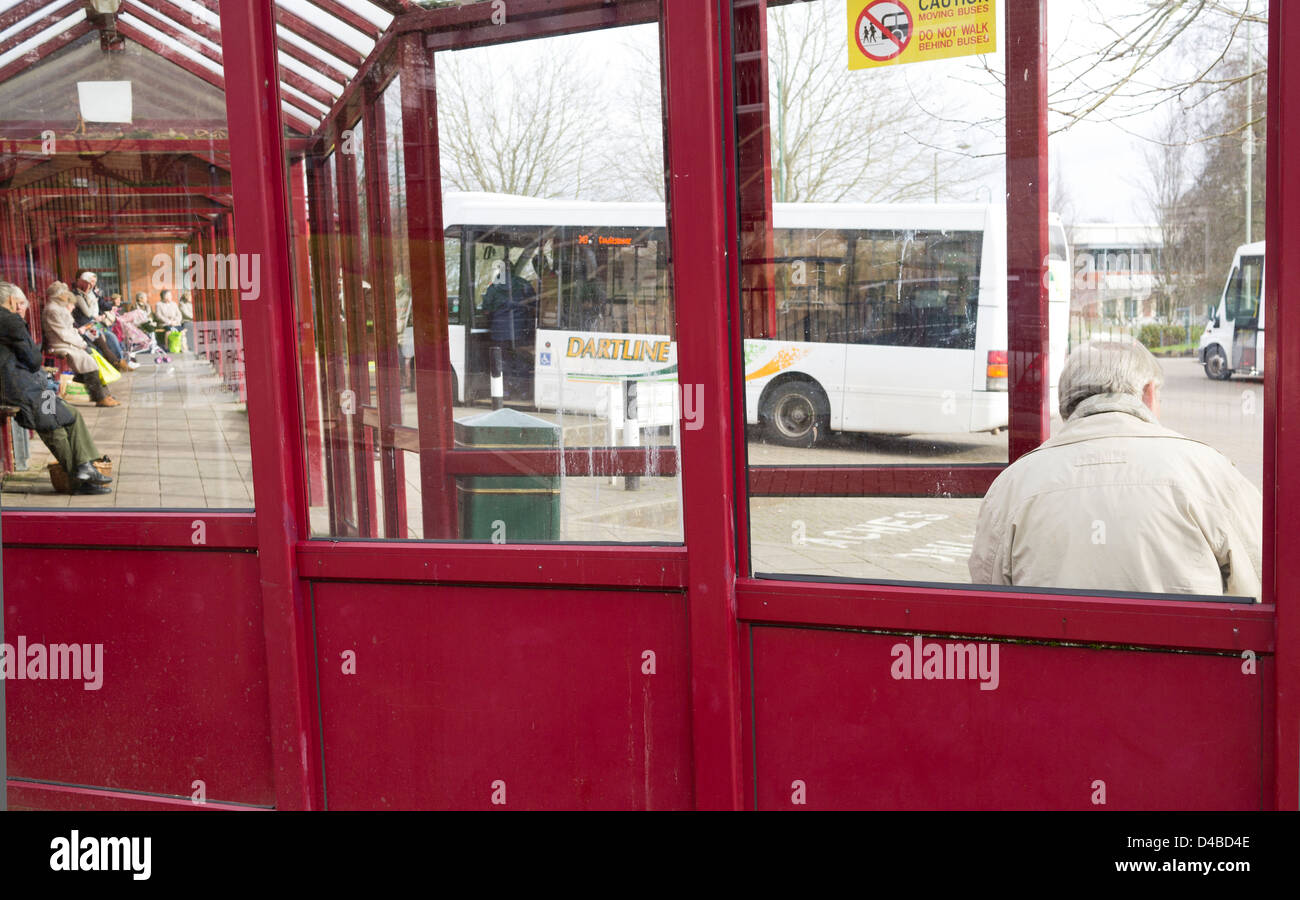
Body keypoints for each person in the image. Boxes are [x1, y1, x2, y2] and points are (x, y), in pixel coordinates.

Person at [968, 340, 1262, 601]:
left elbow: (989, 598)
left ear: (1067, 400)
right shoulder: (1208, 471)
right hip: (1185, 662)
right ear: (1148, 393)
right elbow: (1259, 580)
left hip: (1053, 662)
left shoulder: (1013, 484)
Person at [0, 282, 112, 494]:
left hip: (23, 385)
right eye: (22, 303)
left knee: (69, 413)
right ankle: (79, 480)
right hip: (17, 387)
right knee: (52, 420)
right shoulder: (11, 321)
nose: (23, 307)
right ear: (14, 302)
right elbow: (33, 359)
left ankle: (84, 467)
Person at [42, 284, 120, 407]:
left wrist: (82, 343)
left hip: (68, 342)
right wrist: (81, 344)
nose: (67, 295)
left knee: (92, 361)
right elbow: (63, 333)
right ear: (59, 295)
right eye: (65, 293)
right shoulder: (53, 309)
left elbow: (69, 330)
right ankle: (100, 397)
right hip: (61, 343)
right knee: (88, 362)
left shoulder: (58, 307)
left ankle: (104, 394)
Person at [481, 259, 536, 400]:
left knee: (502, 362)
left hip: (499, 333)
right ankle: (523, 392)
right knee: (520, 361)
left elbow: (486, 309)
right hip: (519, 332)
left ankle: (504, 392)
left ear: (500, 270)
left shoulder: (494, 287)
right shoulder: (524, 284)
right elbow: (535, 305)